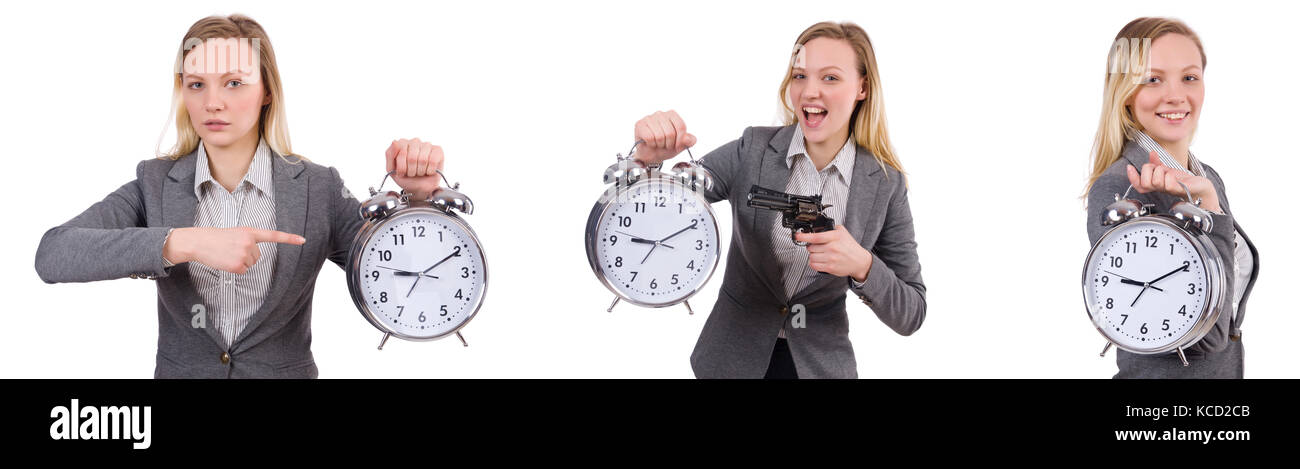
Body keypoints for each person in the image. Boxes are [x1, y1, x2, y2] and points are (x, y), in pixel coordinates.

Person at [34, 14, 445, 378]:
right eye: (197, 84)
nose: (212, 103)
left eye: (234, 83)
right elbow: (53, 254)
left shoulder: (317, 188)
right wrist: (183, 242)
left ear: (266, 91)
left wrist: (419, 202)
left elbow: (410, 278)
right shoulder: (154, 183)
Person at [631, 22, 926, 379]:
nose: (810, 91)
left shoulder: (884, 184)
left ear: (862, 87)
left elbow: (912, 313)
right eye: (800, 76)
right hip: (731, 361)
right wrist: (646, 162)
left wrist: (862, 265)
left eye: (830, 78)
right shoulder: (752, 149)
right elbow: (659, 206)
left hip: (818, 367)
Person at [1084, 17, 1259, 379]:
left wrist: (1208, 196)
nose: (1176, 95)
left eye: (1189, 77)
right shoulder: (1119, 186)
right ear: (1126, 93)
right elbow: (1209, 338)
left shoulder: (1206, 177)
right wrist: (1209, 206)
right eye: (1153, 79)